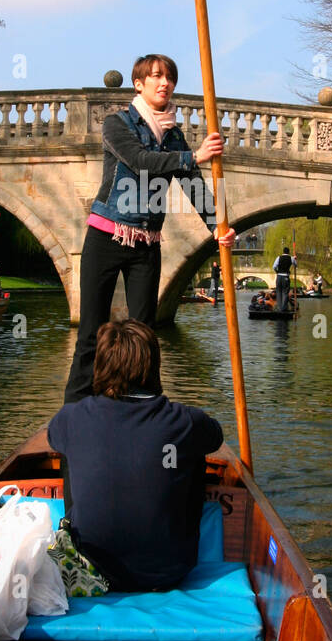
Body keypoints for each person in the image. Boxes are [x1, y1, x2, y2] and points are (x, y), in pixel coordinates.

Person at [63, 53, 235, 403]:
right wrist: (195, 156)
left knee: (144, 335)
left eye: (170, 77)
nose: (165, 83)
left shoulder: (174, 138)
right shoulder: (117, 124)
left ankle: (146, 407)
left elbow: (193, 185)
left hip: (146, 245)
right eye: (156, 76)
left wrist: (218, 227)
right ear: (139, 84)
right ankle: (75, 413)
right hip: (106, 236)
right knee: (91, 334)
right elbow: (140, 161)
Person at [49, 320, 222, 591]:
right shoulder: (184, 421)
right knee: (193, 451)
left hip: (90, 565)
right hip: (168, 570)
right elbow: (215, 436)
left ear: (101, 365)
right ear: (154, 365)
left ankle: (75, 522)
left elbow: (53, 436)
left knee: (68, 450)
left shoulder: (73, 417)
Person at [272, 246, 296, 313]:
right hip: (286, 277)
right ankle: (283, 308)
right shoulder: (291, 258)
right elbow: (295, 265)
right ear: (288, 252)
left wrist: (277, 271)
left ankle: (279, 308)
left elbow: (274, 267)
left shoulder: (278, 257)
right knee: (285, 292)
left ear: (283, 251)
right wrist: (295, 259)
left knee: (278, 292)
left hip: (279, 276)